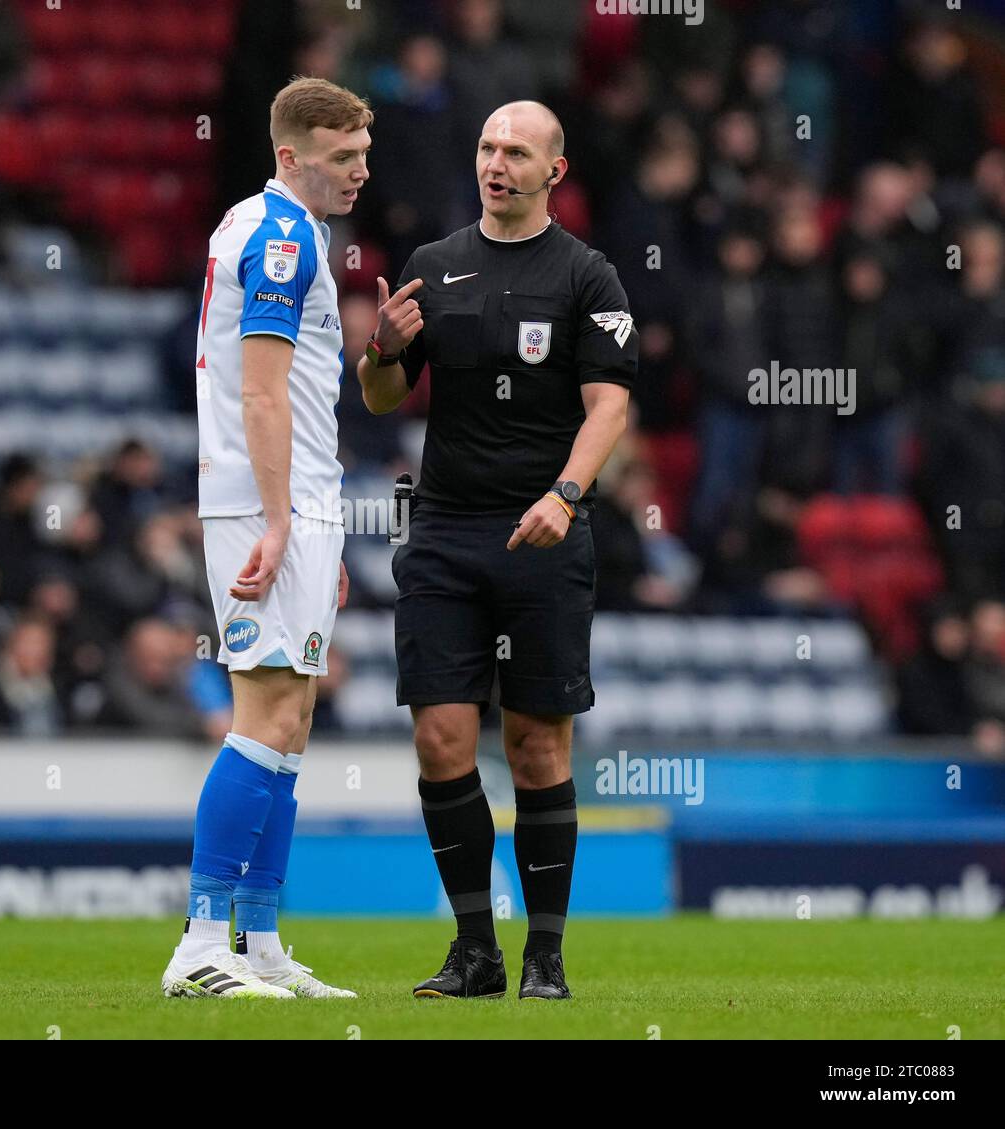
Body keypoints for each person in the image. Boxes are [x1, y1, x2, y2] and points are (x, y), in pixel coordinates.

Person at [358, 101, 638, 1000]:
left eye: (517, 151)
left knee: (535, 751)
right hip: (443, 530)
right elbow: (378, 398)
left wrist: (566, 494)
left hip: (543, 534)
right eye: (487, 147)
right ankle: (474, 949)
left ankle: (545, 957)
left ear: (555, 169)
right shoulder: (434, 267)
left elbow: (608, 408)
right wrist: (381, 350)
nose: (497, 163)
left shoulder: (587, 277)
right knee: (441, 739)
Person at [159, 77, 369, 1002]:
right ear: (292, 155)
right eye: (343, 157)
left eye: (365, 153)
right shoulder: (281, 237)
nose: (360, 171)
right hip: (261, 504)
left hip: (300, 504)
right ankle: (201, 944)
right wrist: (285, 521)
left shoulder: (280, 228)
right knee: (264, 718)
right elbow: (260, 391)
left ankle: (261, 939)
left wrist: (320, 527)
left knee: (292, 723)